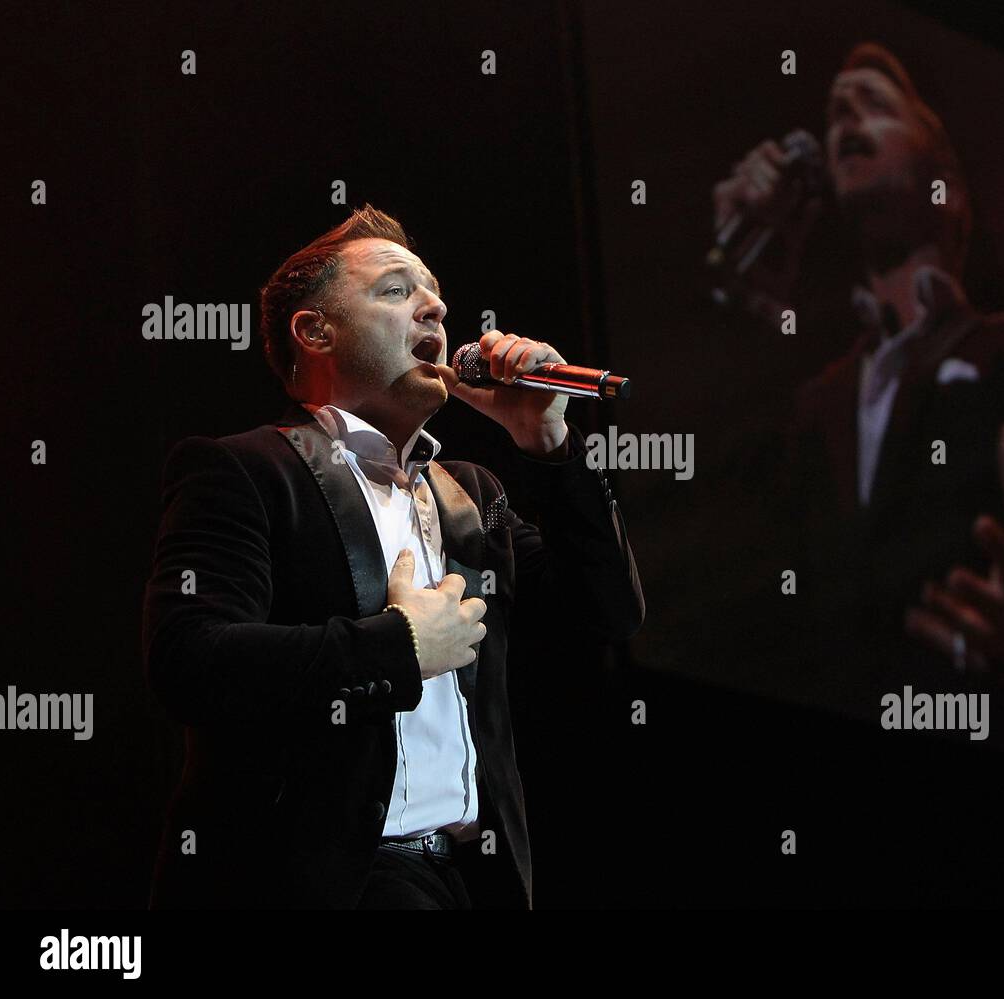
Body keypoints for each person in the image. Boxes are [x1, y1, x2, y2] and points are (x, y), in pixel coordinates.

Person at [143, 205, 644, 908]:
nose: (435, 305)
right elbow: (188, 660)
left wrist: (549, 448)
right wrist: (396, 647)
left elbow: (607, 613)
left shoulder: (471, 495)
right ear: (315, 330)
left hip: (472, 879)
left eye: (434, 291)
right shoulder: (246, 472)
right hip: (331, 886)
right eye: (395, 290)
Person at [711, 44, 1004, 767]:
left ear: (950, 186)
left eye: (875, 101)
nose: (843, 112)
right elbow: (714, 579)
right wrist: (739, 295)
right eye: (837, 106)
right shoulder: (814, 397)